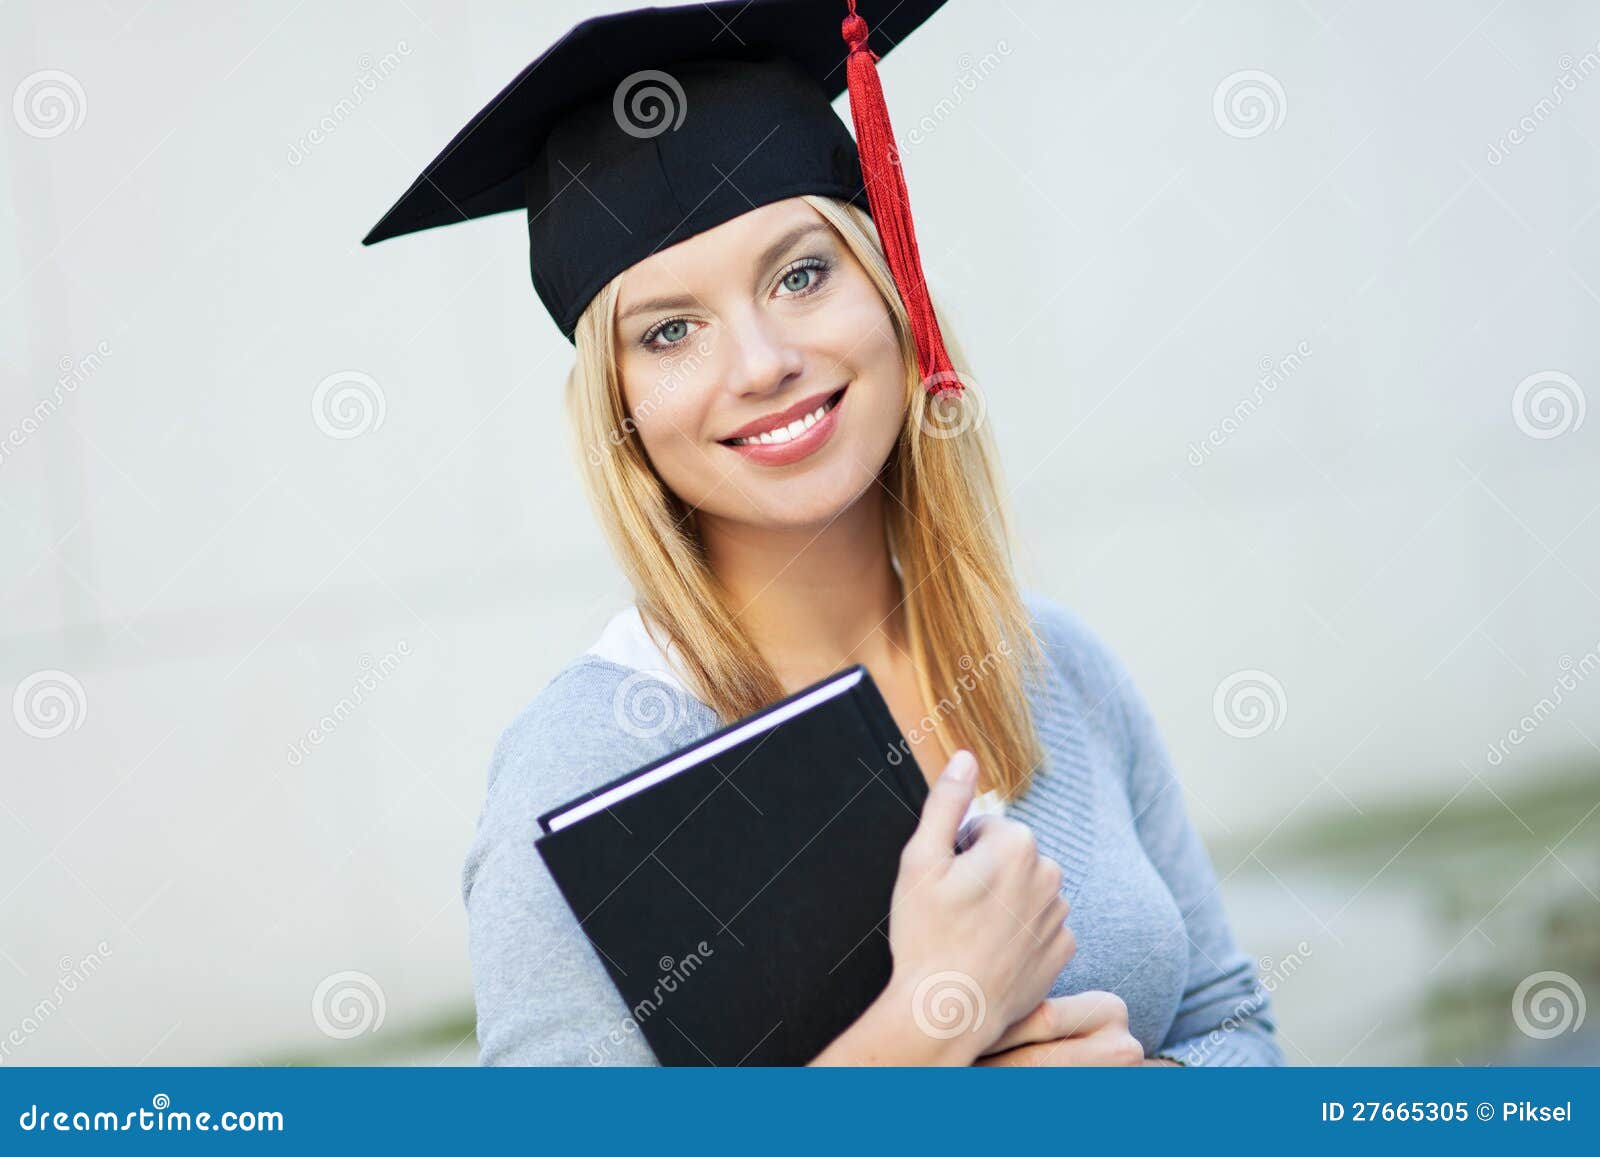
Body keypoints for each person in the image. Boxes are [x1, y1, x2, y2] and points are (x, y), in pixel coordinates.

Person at [364, 0, 1284, 1067]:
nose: (761, 361)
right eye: (670, 331)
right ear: (620, 410)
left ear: (890, 286)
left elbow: (1233, 1023)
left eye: (801, 274)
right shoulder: (588, 766)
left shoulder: (1053, 663)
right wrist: (928, 1024)